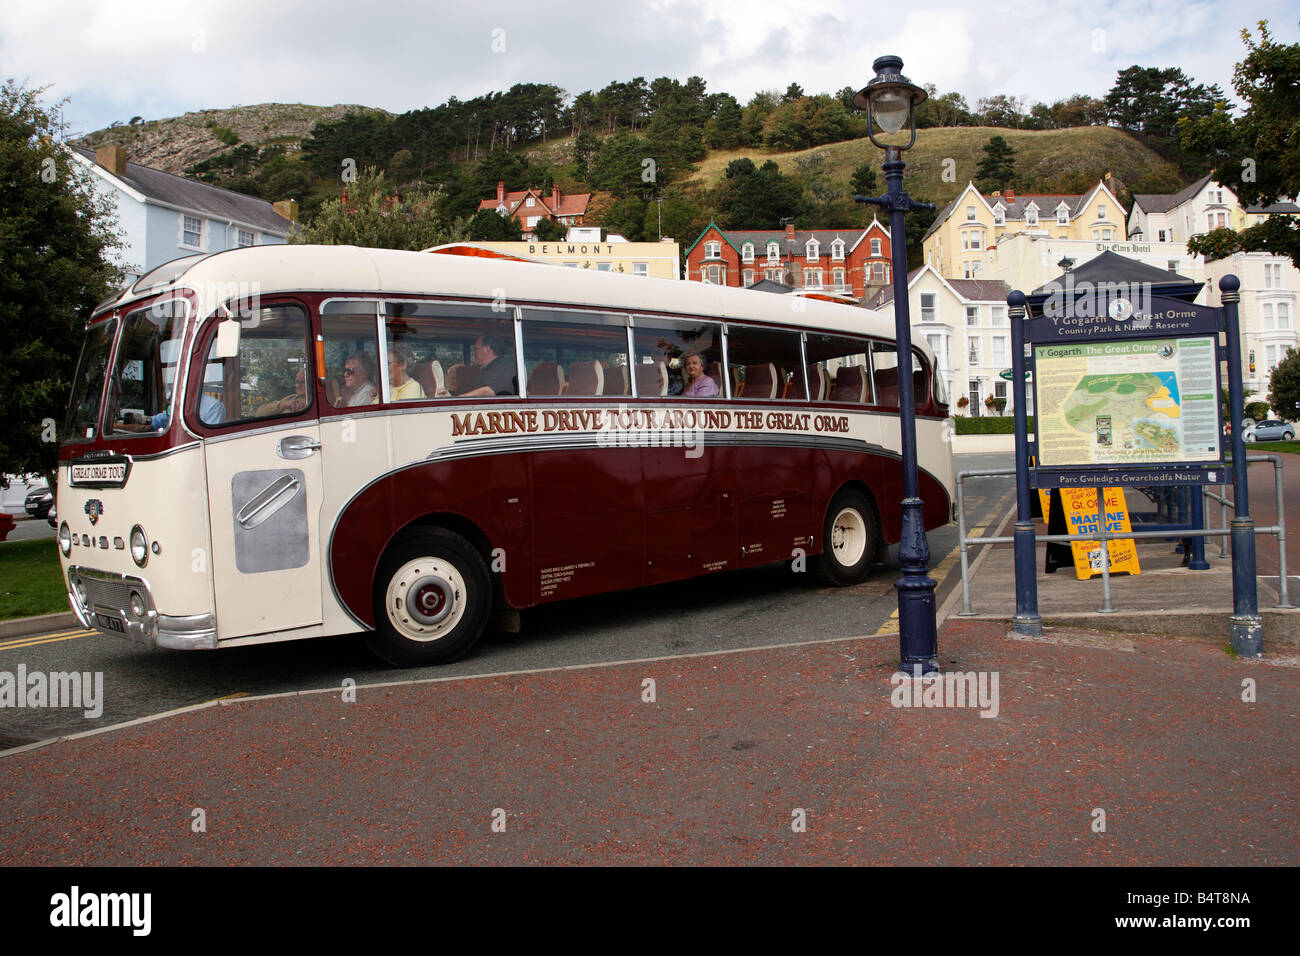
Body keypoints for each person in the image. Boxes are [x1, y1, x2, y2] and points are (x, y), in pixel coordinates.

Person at [444, 333, 517, 397]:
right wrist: (450, 394)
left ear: (487, 349)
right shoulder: (486, 369)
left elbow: (488, 391)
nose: (473, 353)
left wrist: (457, 399)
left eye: (476, 349)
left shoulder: (506, 366)